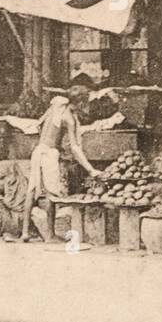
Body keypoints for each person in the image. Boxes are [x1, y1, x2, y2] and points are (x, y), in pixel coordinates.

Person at [25, 86, 101, 242]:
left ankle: (25, 232)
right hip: (49, 154)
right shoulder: (69, 118)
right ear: (80, 102)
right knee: (52, 193)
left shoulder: (56, 107)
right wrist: (91, 169)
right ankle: (50, 235)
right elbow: (74, 147)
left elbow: (40, 125)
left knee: (32, 190)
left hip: (38, 150)